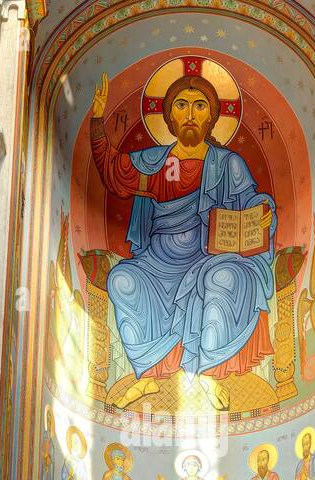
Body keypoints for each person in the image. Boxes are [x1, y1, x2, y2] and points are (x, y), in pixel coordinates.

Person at [90, 70, 277, 411]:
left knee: (223, 278)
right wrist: (98, 122)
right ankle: (147, 373)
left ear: (212, 117)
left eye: (200, 105)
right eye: (181, 105)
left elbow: (250, 200)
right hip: (158, 261)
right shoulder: (152, 161)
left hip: (212, 255)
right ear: (169, 117)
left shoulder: (228, 163)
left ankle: (206, 373)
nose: (190, 113)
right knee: (122, 279)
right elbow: (114, 172)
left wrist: (262, 210)